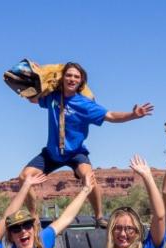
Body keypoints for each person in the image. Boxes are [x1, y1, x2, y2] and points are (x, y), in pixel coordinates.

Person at [17, 61, 154, 222]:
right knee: (23, 177)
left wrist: (133, 115)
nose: (72, 79)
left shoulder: (85, 105)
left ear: (81, 81)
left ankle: (99, 217)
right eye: (69, 75)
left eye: (76, 76)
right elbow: (33, 100)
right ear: (63, 78)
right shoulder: (53, 97)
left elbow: (110, 116)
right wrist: (29, 79)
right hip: (52, 152)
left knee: (89, 178)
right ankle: (34, 217)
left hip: (75, 152)